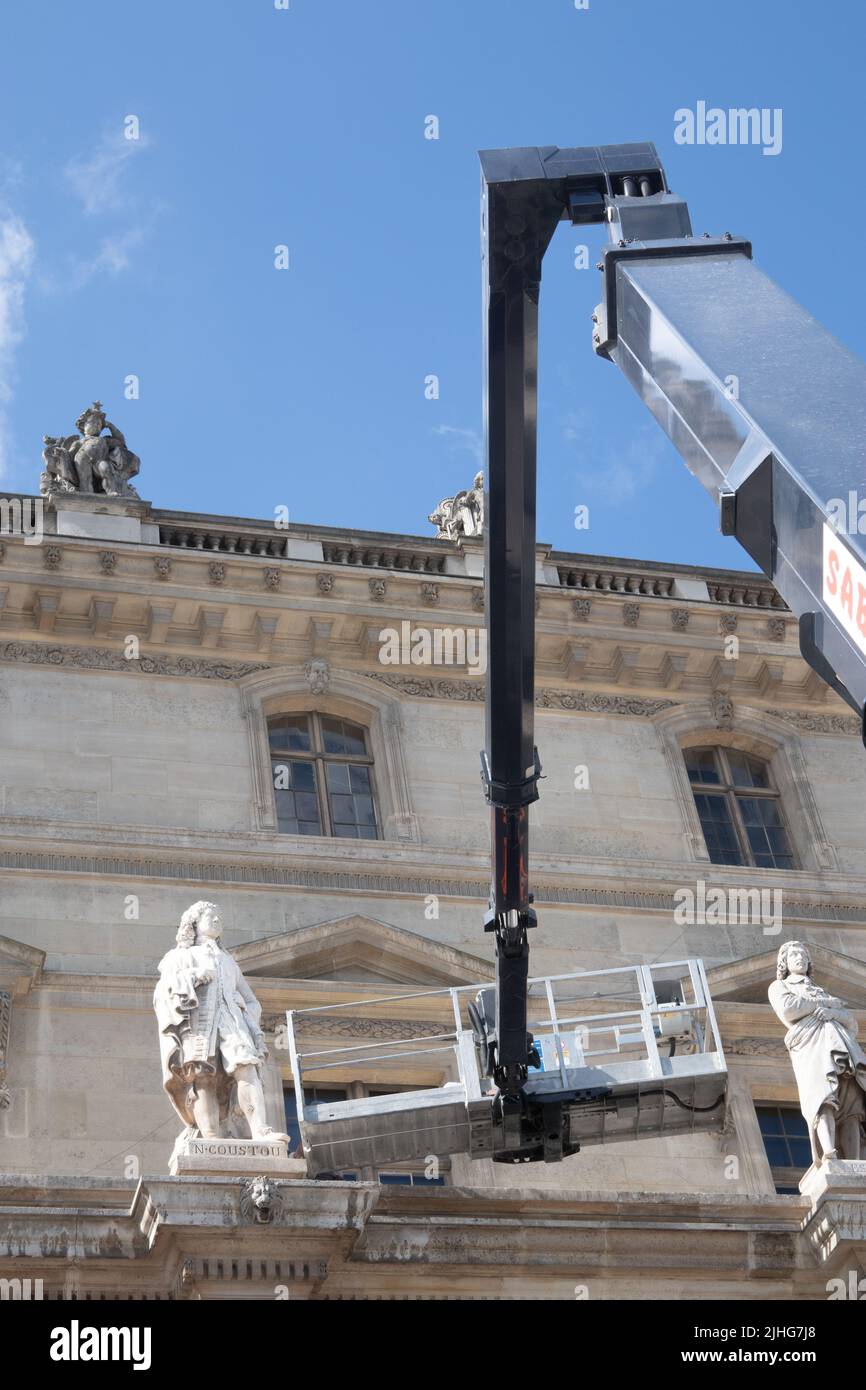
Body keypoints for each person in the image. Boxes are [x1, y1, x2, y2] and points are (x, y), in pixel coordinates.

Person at [154, 900, 288, 1145]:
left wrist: (247, 1015)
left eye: (219, 917)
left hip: (231, 1022)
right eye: (210, 916)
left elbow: (250, 998)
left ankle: (260, 1129)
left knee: (247, 1068)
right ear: (195, 923)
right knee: (203, 1077)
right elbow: (164, 990)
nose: (217, 921)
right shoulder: (180, 957)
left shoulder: (228, 962)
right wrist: (191, 977)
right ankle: (211, 1137)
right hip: (198, 1024)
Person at [768, 940, 866, 1163]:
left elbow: (851, 1024)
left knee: (852, 1107)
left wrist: (834, 1013)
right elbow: (790, 1009)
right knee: (822, 1097)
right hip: (812, 1048)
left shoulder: (819, 990)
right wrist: (826, 1003)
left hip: (842, 1049)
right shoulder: (780, 987)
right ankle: (829, 1151)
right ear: (784, 963)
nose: (800, 958)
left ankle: (856, 1161)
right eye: (794, 955)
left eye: (803, 955)